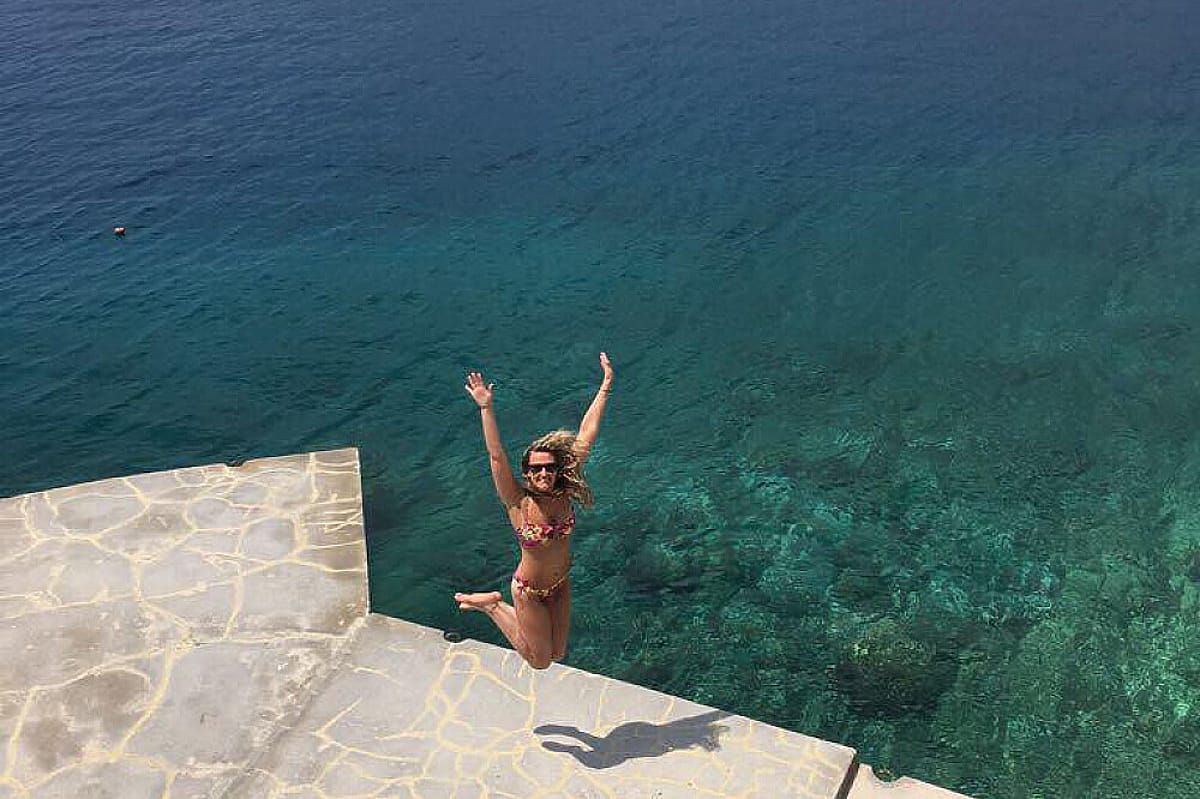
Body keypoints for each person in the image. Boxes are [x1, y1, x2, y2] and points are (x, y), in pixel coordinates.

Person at [454, 352, 613, 669]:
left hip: (561, 583)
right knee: (540, 661)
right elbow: (496, 456)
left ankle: (494, 607)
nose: (543, 474)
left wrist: (606, 385)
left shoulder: (565, 490)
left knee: (557, 654)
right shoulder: (517, 501)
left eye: (548, 468)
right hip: (529, 590)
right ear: (526, 473)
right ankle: (493, 606)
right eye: (536, 469)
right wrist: (486, 407)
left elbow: (587, 433)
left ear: (556, 469)